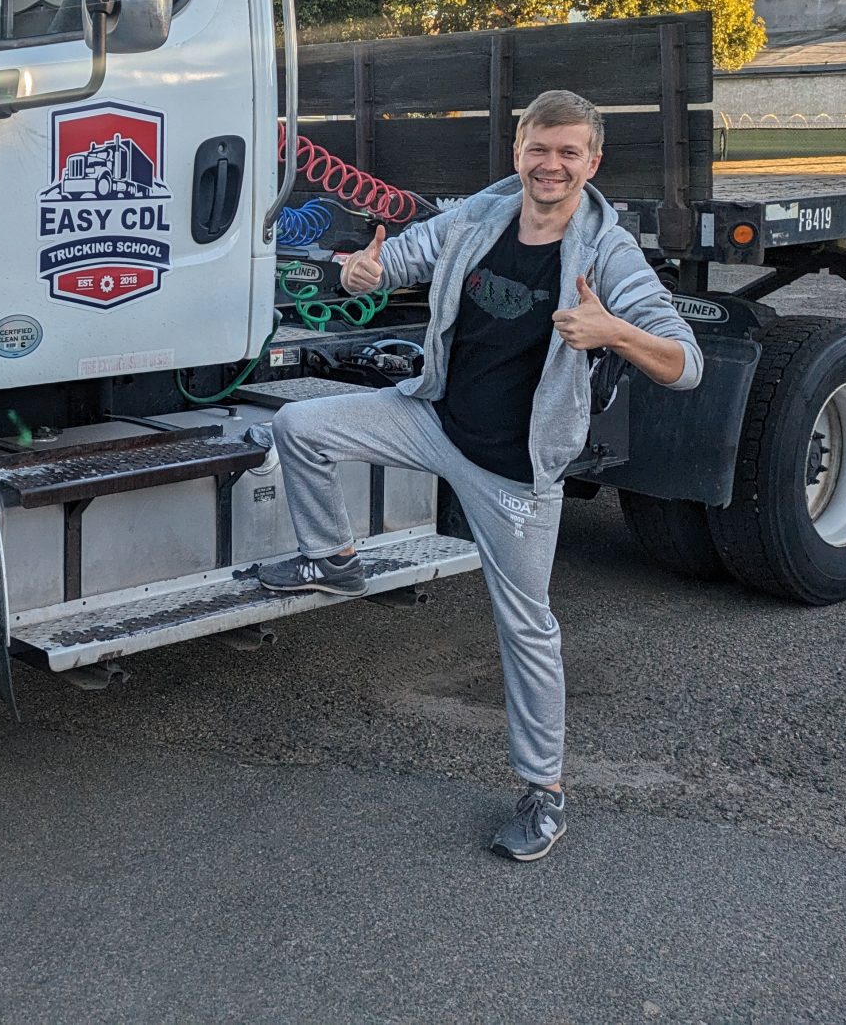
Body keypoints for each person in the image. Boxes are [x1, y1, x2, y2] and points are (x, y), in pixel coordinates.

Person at [250, 89, 703, 861]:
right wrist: (364, 273)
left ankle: (545, 794)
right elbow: (392, 262)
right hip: (435, 418)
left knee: (526, 628)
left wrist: (612, 331)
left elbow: (684, 365)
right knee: (299, 425)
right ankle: (335, 560)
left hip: (515, 469)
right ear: (517, 151)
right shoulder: (480, 219)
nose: (551, 164)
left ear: (592, 164)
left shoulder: (607, 254)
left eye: (569, 152)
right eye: (539, 148)